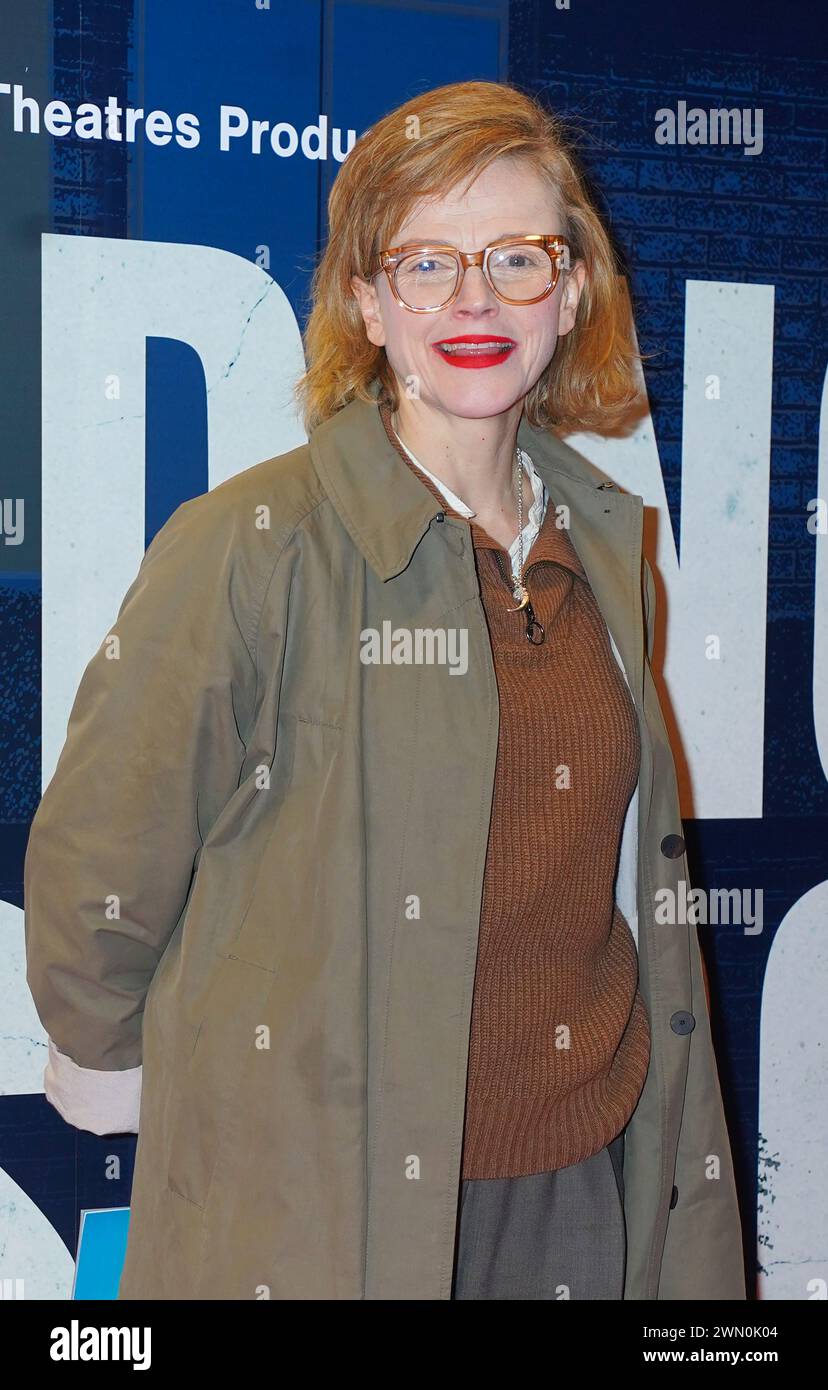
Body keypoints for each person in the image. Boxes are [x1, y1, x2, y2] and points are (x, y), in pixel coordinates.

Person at [24, 79, 746, 1300]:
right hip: (329, 1205)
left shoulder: (608, 544)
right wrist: (126, 1062)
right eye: (425, 261)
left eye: (517, 256)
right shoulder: (249, 546)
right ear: (366, 299)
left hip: (580, 1184)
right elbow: (100, 867)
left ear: (571, 291)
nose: (474, 298)